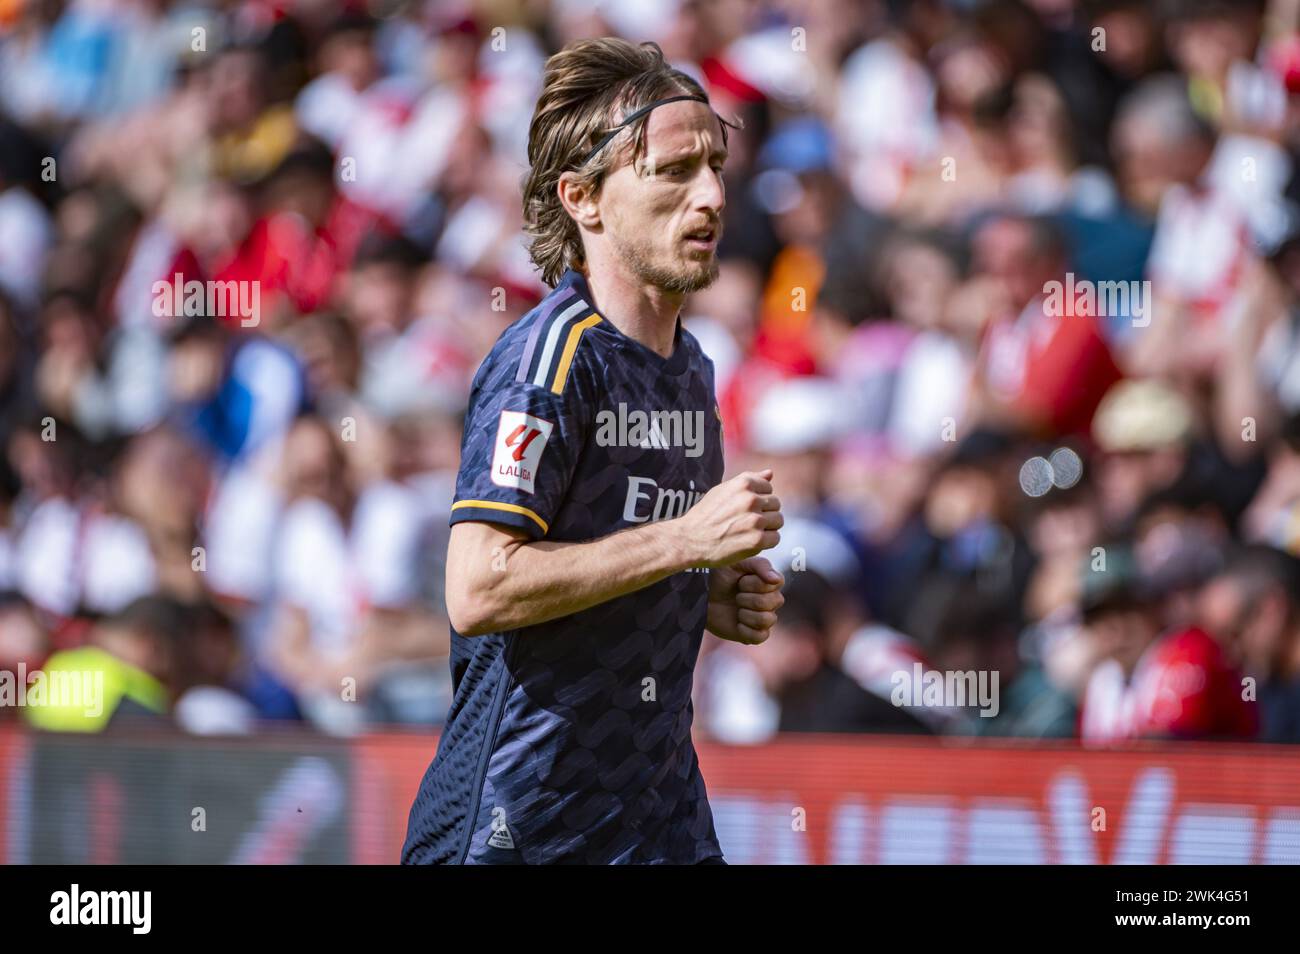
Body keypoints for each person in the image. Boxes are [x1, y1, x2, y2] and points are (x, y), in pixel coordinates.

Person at [402, 38, 785, 865]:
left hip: (660, 825)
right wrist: (687, 543)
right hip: (521, 830)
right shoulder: (551, 360)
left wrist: (705, 590)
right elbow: (479, 587)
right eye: (675, 172)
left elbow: (613, 554)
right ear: (585, 198)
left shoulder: (691, 367)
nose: (713, 196)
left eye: (716, 167)